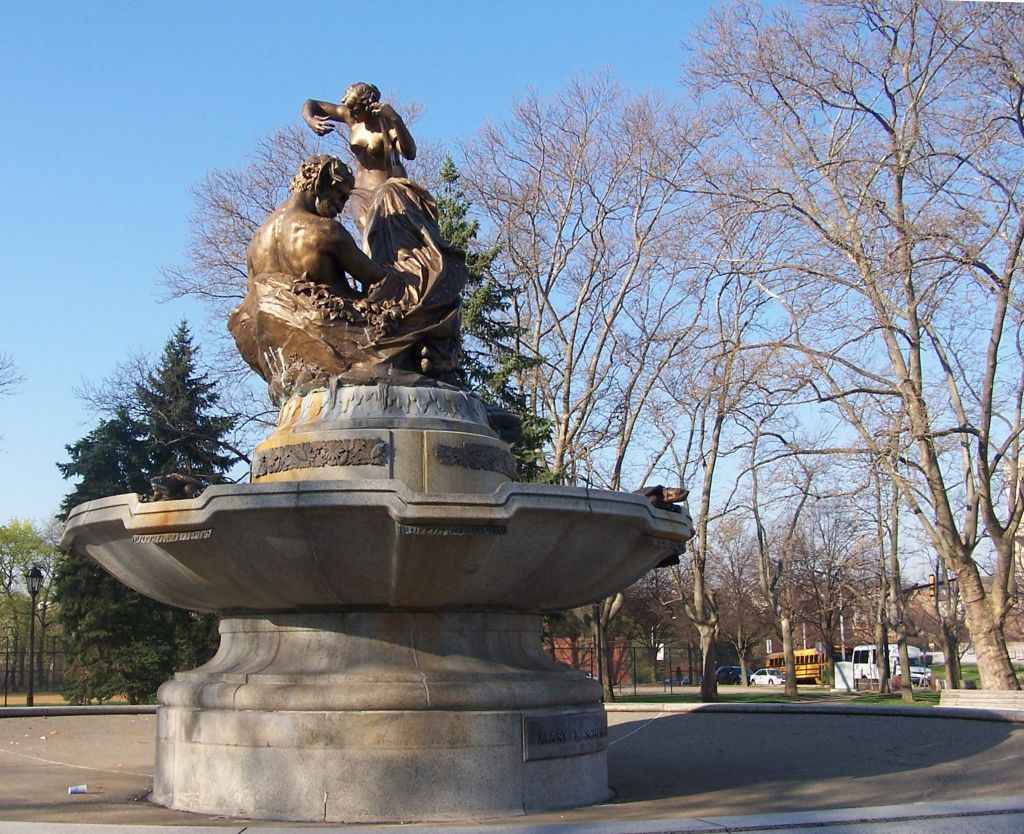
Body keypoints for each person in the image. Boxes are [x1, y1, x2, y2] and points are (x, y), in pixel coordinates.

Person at [302, 82, 417, 234]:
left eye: (355, 110)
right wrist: (310, 119)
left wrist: (396, 119)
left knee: (382, 233)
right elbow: (312, 104)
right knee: (365, 228)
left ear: (367, 106)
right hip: (360, 190)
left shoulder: (386, 124)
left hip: (385, 188)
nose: (351, 114)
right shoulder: (351, 116)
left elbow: (410, 153)